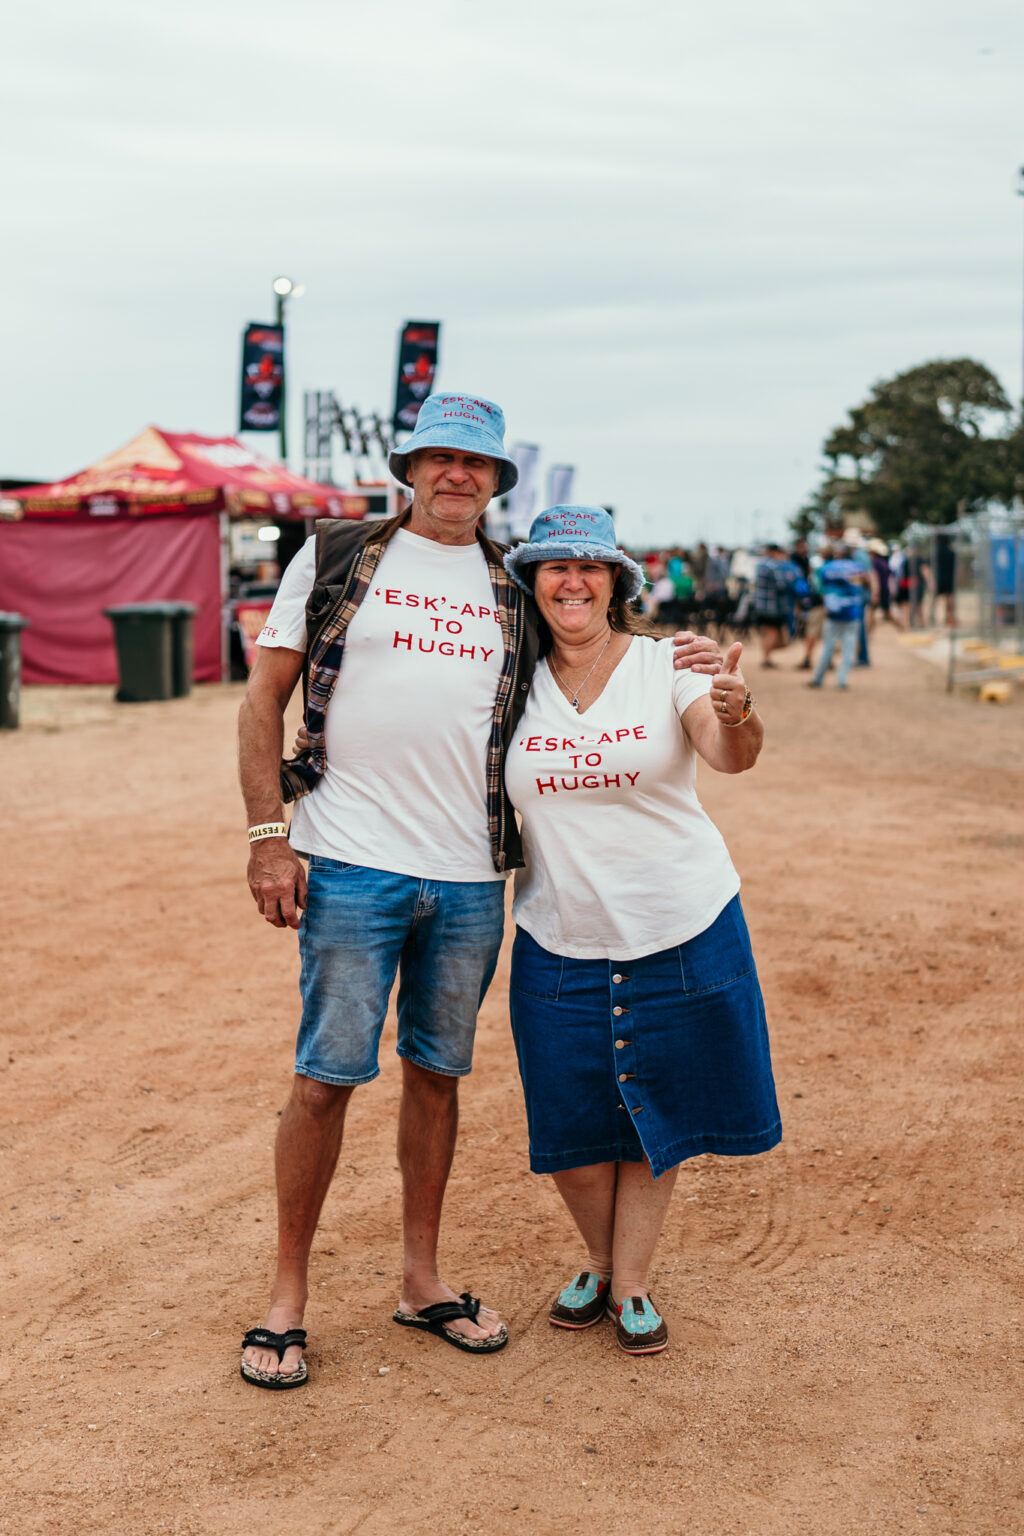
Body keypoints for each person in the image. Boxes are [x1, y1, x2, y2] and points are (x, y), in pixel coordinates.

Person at [236, 399, 724, 1387]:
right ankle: (285, 1298)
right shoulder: (334, 555)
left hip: (470, 878)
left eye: (477, 463)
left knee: (436, 1077)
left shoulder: (511, 581)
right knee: (323, 1081)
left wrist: (692, 659)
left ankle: (421, 1280)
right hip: (350, 861)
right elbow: (262, 698)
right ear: (408, 468)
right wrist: (265, 838)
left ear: (498, 481)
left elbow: (598, 638)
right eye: (439, 458)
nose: (457, 475)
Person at [501, 507, 781, 1357]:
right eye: (556, 567)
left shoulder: (671, 664)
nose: (574, 581)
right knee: (572, 1132)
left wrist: (736, 708)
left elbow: (729, 753)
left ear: (618, 582)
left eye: (592, 566)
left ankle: (626, 1283)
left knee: (653, 1116)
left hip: (681, 923)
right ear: (533, 583)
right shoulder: (509, 683)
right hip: (557, 933)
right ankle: (598, 1253)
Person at [807, 542, 870, 691]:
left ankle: (818, 678)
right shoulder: (856, 568)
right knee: (848, 648)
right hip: (852, 612)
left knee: (828, 646)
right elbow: (864, 584)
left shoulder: (827, 568)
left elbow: (818, 585)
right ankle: (841, 680)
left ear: (837, 554)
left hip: (833, 612)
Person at [753, 543, 796, 667]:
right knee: (773, 632)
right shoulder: (774, 566)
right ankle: (767, 658)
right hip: (772, 605)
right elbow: (781, 585)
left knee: (765, 632)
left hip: (760, 604)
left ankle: (765, 656)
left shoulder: (760, 564)